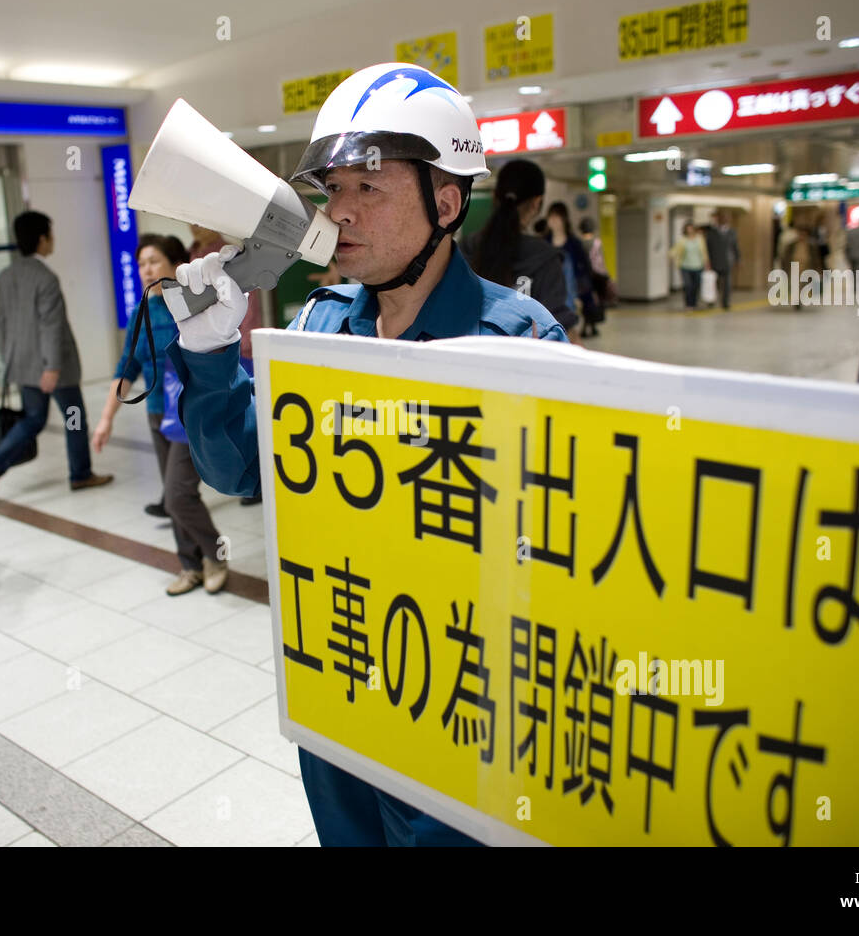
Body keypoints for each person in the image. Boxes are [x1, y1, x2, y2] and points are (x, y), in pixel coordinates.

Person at [163, 62, 567, 846]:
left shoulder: (515, 337)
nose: (338, 213)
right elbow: (237, 467)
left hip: (458, 700)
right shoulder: (317, 323)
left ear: (446, 203)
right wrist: (211, 355)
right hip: (339, 677)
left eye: (369, 190)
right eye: (331, 190)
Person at [91, 234, 229, 596]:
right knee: (175, 495)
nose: (145, 269)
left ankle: (215, 555)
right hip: (157, 413)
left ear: (173, 264)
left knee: (177, 494)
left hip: (189, 412)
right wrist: (106, 419)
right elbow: (127, 366)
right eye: (140, 263)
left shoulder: (189, 304)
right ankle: (190, 565)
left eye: (153, 261)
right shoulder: (140, 312)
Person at [0, 211, 111, 504]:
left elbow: (2, 324)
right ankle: (81, 473)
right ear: (41, 239)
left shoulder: (5, 276)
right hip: (54, 367)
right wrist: (52, 367)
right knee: (74, 418)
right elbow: (51, 326)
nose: (53, 241)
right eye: (51, 235)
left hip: (22, 365)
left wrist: (9, 360)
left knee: (34, 418)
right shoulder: (46, 278)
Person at [188, 224, 266, 507]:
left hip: (237, 342)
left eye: (198, 221)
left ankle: (255, 478)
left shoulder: (227, 255)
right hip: (210, 346)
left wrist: (245, 336)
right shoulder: (193, 254)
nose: (193, 227)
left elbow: (247, 301)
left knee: (244, 399)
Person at [460, 158, 574, 335]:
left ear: (494, 197)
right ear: (537, 203)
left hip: (466, 357)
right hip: (525, 359)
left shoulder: (466, 248)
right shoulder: (546, 258)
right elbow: (558, 325)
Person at [546, 202, 599, 337]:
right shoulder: (544, 243)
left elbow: (584, 271)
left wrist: (585, 295)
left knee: (569, 332)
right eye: (550, 217)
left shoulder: (574, 244)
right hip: (548, 295)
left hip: (571, 296)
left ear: (564, 219)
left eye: (556, 217)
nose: (553, 221)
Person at [703, 210, 740, 310]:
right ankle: (711, 300)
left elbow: (735, 247)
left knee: (727, 283)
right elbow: (707, 248)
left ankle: (725, 302)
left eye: (726, 218)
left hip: (727, 261)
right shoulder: (711, 233)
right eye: (722, 218)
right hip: (714, 261)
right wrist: (707, 261)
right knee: (713, 282)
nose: (724, 220)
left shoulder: (732, 232)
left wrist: (737, 260)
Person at [669, 221, 710, 309]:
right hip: (685, 266)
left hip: (698, 266)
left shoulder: (700, 239)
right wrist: (670, 255)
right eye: (688, 229)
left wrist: (706, 263)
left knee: (696, 285)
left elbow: (704, 252)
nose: (689, 230)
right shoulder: (683, 240)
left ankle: (694, 303)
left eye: (691, 228)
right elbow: (675, 250)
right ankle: (688, 304)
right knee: (687, 285)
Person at [579, 216, 613, 310]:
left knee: (587, 298)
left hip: (585, 276)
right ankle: (595, 318)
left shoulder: (579, 243)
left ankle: (588, 319)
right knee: (599, 298)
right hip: (598, 274)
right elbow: (601, 260)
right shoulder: (597, 242)